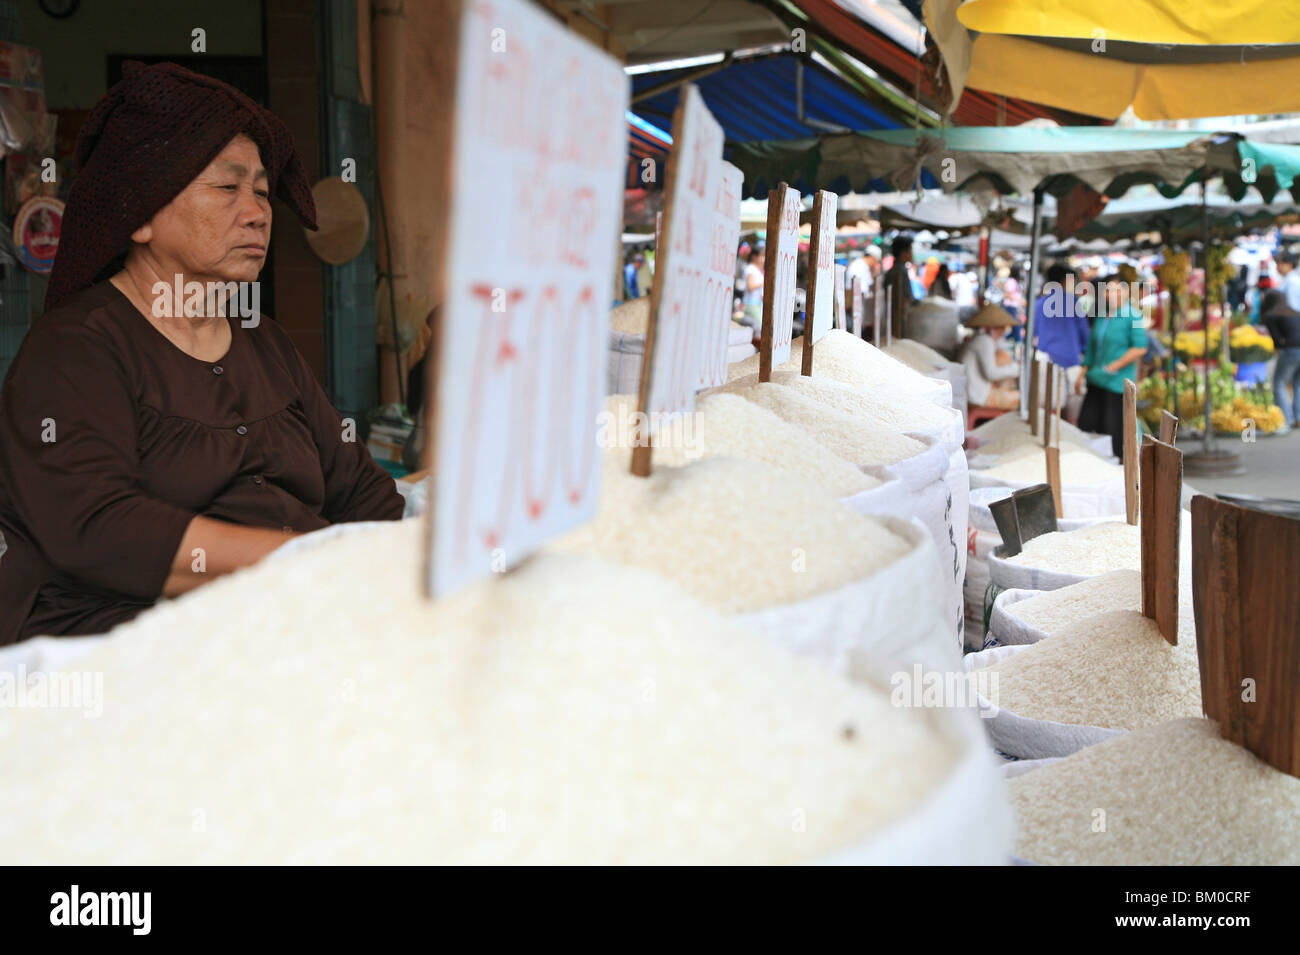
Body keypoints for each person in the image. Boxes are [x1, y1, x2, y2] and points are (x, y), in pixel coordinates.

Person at [0, 62, 404, 644]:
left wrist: (404, 567)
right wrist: (304, 563)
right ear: (140, 214)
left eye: (262, 191)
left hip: (290, 619)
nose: (258, 212)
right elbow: (97, 526)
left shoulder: (263, 341)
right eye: (227, 187)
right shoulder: (77, 348)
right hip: (131, 651)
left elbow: (364, 494)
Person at [1077, 274, 1149, 458]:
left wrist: (1113, 367)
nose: (1112, 294)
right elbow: (1092, 349)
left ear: (1126, 292)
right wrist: (1082, 373)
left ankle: (1119, 470)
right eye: (1108, 290)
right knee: (1087, 424)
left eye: (1117, 290)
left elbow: (1139, 348)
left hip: (1117, 382)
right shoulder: (1102, 315)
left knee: (1114, 430)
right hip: (1096, 379)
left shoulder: (1133, 315)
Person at [959, 303, 1022, 409]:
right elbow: (991, 373)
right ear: (991, 327)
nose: (1003, 331)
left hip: (974, 392)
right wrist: (1017, 368)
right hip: (978, 396)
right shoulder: (984, 341)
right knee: (1023, 399)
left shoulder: (981, 339)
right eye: (1000, 327)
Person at [1033, 262, 1090, 369]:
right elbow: (1084, 334)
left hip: (1045, 359)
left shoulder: (1038, 304)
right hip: (1069, 360)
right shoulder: (1073, 302)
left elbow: (1033, 332)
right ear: (1065, 281)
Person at [1260, 289, 1300, 433]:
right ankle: (1298, 417)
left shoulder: (1271, 315)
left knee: (1279, 383)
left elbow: (1277, 340)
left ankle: (1286, 419)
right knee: (1297, 383)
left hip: (1290, 350)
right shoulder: (1295, 312)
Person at [882, 235, 916, 339]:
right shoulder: (900, 271)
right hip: (898, 319)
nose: (912, 254)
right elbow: (903, 300)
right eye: (910, 250)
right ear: (903, 253)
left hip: (892, 317)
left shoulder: (892, 271)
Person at [739, 240, 765, 335]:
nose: (763, 259)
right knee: (760, 326)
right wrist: (764, 282)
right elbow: (750, 286)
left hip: (757, 303)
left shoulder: (757, 270)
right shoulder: (750, 269)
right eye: (761, 256)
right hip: (751, 303)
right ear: (754, 257)